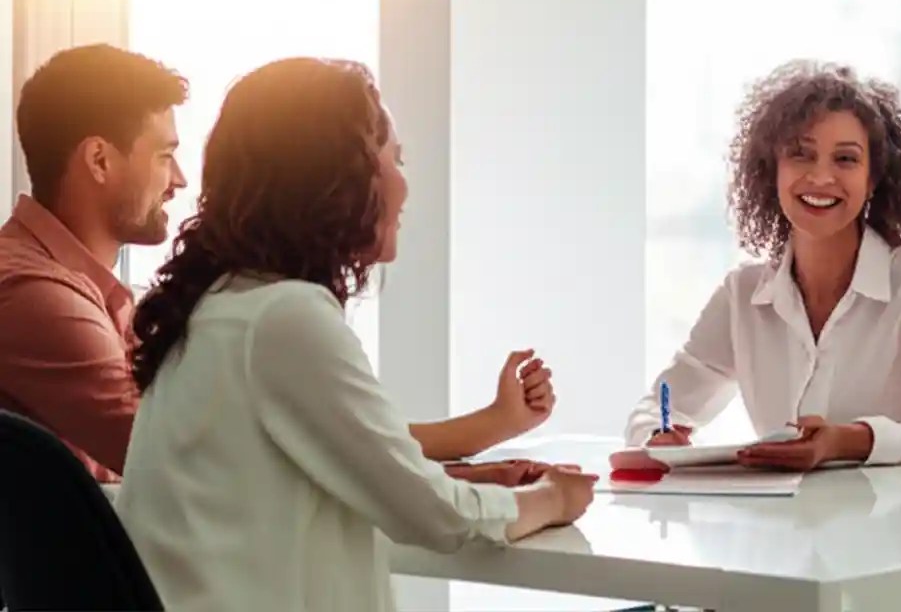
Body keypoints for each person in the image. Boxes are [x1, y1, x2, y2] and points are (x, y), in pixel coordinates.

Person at [115, 57, 596, 612]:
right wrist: (553, 497)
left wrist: (475, 473)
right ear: (335, 179)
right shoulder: (284, 318)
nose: (404, 187)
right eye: (395, 159)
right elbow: (437, 517)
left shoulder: (221, 304)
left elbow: (349, 467)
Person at [625, 60, 901, 469]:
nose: (821, 177)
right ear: (771, 172)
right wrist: (659, 436)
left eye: (846, 160)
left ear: (873, 179)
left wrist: (851, 441)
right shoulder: (742, 294)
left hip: (897, 522)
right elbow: (656, 408)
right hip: (786, 526)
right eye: (801, 155)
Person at [0, 44, 188, 482]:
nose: (179, 179)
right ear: (100, 160)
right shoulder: (30, 292)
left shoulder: (91, 293)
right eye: (164, 155)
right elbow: (177, 458)